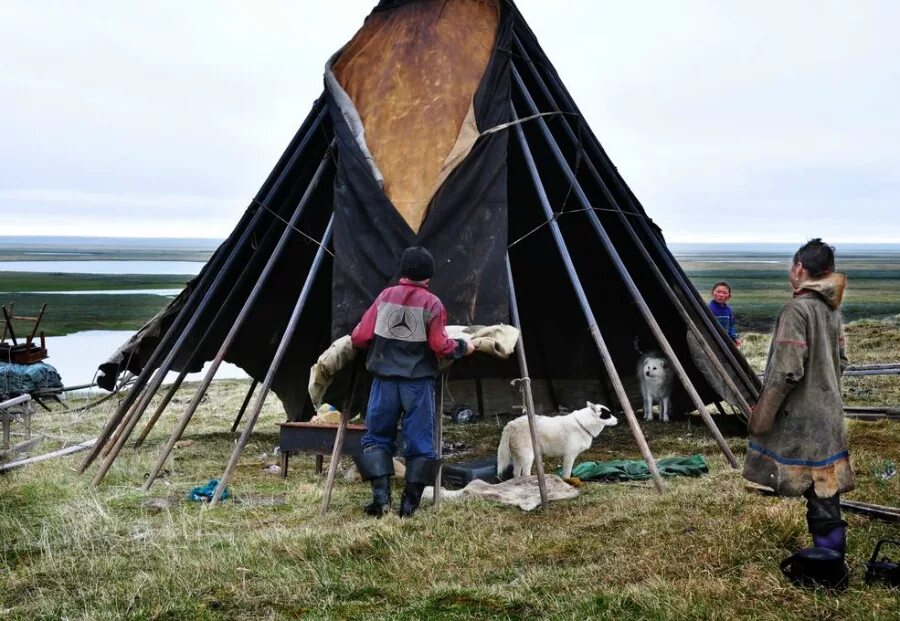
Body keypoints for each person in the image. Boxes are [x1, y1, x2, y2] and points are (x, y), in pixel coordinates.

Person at [743, 239, 853, 560]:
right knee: (824, 484)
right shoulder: (832, 311)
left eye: (793, 266)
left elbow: (786, 372)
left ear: (800, 268)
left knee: (820, 489)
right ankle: (830, 554)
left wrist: (762, 416)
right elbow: (841, 360)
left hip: (803, 419)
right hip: (829, 414)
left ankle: (829, 563)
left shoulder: (797, 309)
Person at [350, 246, 475, 517]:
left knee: (376, 438)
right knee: (420, 443)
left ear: (402, 271)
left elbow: (360, 337)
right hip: (416, 384)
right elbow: (440, 345)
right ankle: (409, 507)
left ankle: (381, 501)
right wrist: (462, 347)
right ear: (428, 276)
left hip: (383, 383)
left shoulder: (385, 298)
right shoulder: (432, 304)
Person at [708, 281, 741, 346]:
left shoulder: (729, 310)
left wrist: (735, 338)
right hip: (712, 340)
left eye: (724, 293)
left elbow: (731, 326)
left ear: (729, 296)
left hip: (725, 340)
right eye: (718, 291)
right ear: (712, 293)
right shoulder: (708, 308)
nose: (721, 295)